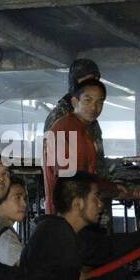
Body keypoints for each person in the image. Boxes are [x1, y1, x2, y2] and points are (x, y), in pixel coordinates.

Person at [43, 80, 105, 214]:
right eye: (88, 100)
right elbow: (70, 181)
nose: (94, 107)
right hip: (68, 211)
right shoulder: (66, 129)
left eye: (99, 102)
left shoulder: (84, 128)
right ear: (74, 102)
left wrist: (112, 188)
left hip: (79, 207)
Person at [0, 175, 27, 266]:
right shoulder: (6, 238)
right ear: (0, 200)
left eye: (24, 199)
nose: (24, 204)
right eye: (17, 197)